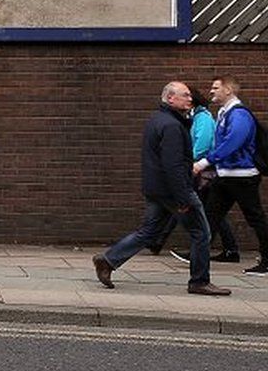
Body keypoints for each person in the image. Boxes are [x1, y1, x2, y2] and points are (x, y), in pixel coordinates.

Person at [92, 82, 230, 295]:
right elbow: (173, 166)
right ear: (171, 98)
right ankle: (199, 281)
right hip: (174, 191)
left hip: (157, 188)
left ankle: (108, 260)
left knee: (149, 231)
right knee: (201, 232)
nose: (190, 99)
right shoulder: (172, 126)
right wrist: (183, 198)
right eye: (185, 95)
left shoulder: (158, 120)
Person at [193, 75, 268, 276]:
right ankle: (198, 256)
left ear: (228, 90)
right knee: (210, 216)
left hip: (243, 177)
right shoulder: (225, 113)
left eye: (216, 87)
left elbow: (232, 143)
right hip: (225, 175)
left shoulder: (239, 115)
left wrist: (203, 163)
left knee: (255, 219)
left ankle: (267, 260)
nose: (211, 91)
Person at [155, 85, 239, 262]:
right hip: (200, 170)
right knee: (211, 210)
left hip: (202, 171)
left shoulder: (202, 118)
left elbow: (203, 144)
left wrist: (190, 162)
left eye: (188, 96)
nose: (186, 100)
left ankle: (161, 241)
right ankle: (230, 249)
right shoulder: (195, 117)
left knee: (196, 206)